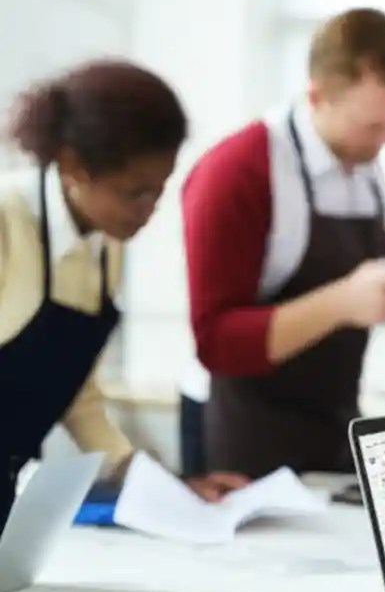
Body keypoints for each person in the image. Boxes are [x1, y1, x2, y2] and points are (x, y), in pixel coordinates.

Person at [182, 8, 385, 478]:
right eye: (372, 126)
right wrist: (339, 302)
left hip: (334, 429)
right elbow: (215, 342)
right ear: (318, 97)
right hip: (245, 439)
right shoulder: (236, 172)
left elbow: (373, 303)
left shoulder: (364, 165)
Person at [0, 59, 250, 530]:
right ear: (74, 165)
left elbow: (76, 394)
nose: (149, 211)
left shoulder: (104, 247)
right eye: (134, 193)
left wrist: (149, 479)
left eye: (159, 191)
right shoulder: (7, 223)